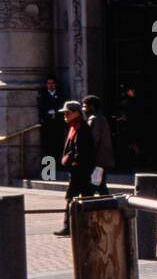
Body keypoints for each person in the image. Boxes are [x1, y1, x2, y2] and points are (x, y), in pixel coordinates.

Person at [52, 101, 94, 236]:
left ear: (76, 113)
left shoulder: (82, 128)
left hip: (80, 170)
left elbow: (82, 150)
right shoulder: (74, 126)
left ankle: (69, 227)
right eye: (64, 113)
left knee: (72, 197)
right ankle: (85, 226)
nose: (65, 115)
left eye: (67, 113)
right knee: (86, 197)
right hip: (78, 169)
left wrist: (75, 163)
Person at [81, 95, 114, 195]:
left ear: (92, 107)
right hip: (100, 161)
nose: (83, 109)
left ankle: (108, 206)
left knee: (92, 187)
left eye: (84, 106)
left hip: (97, 161)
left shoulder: (94, 119)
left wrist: (86, 157)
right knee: (98, 185)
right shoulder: (100, 119)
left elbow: (93, 141)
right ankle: (108, 206)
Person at [37, 77, 64, 163]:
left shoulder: (61, 95)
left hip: (58, 124)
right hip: (47, 125)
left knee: (58, 145)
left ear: (55, 84)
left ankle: (59, 165)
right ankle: (48, 167)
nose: (50, 85)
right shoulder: (42, 95)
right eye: (48, 83)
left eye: (52, 83)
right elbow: (40, 109)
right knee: (47, 146)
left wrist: (55, 112)